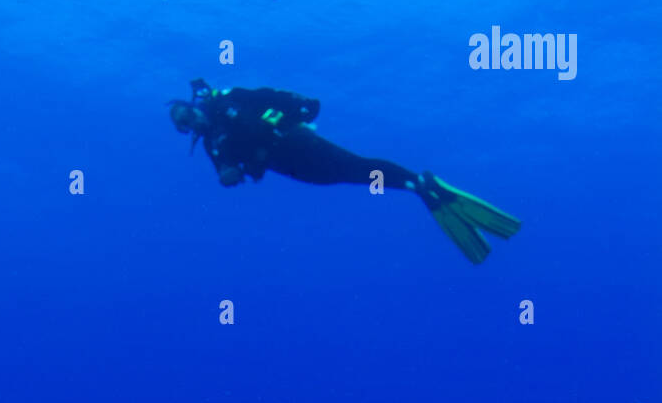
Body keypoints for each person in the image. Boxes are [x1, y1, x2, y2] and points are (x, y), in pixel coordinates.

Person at [168, 79, 520, 264]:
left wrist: (297, 112)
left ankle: (422, 182)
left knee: (356, 166)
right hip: (294, 169)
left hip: (298, 145)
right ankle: (420, 188)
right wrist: (229, 176)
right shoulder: (212, 144)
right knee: (353, 176)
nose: (189, 123)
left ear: (191, 104)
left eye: (185, 114)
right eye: (183, 126)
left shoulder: (228, 100)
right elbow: (229, 172)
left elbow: (274, 97)